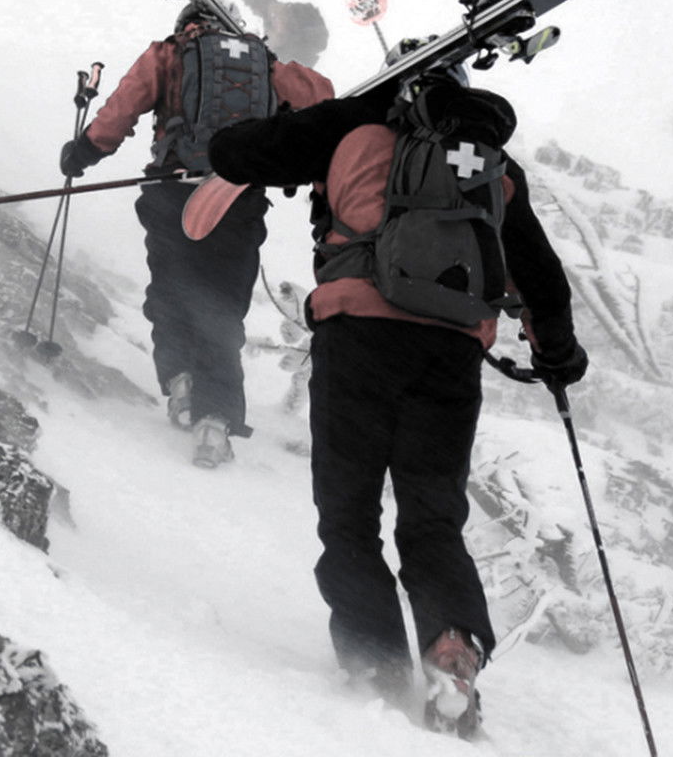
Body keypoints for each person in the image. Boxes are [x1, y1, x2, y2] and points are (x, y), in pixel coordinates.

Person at [205, 60, 587, 735]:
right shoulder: (490, 164)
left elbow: (232, 152)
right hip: (450, 354)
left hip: (357, 336)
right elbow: (542, 279)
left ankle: (375, 672)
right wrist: (558, 355)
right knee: (432, 521)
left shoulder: (351, 125)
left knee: (349, 516)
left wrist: (315, 132)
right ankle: (452, 648)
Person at [58, 1, 333, 467]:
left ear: (184, 24)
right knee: (223, 307)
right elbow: (323, 99)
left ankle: (181, 380)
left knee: (170, 290)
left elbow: (118, 114)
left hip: (172, 192)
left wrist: (81, 154)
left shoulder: (168, 54)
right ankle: (215, 423)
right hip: (236, 198)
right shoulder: (265, 62)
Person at [243, 0, 330, 68]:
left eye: (252, 6)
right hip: (295, 63)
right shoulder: (270, 16)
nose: (253, 12)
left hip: (294, 63)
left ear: (261, 1)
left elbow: (281, 36)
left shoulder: (275, 10)